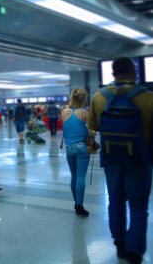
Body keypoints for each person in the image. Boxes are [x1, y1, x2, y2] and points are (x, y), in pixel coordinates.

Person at [88, 57, 153, 264]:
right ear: (134, 71)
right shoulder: (148, 97)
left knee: (115, 200)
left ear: (113, 73)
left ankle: (119, 243)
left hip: (111, 157)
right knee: (138, 205)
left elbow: (93, 126)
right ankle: (135, 252)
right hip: (140, 158)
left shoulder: (99, 97)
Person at [61, 88, 90, 217]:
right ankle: (80, 205)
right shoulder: (84, 113)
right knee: (80, 177)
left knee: (74, 176)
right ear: (83, 99)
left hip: (69, 148)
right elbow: (92, 130)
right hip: (82, 148)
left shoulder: (64, 112)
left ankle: (76, 203)